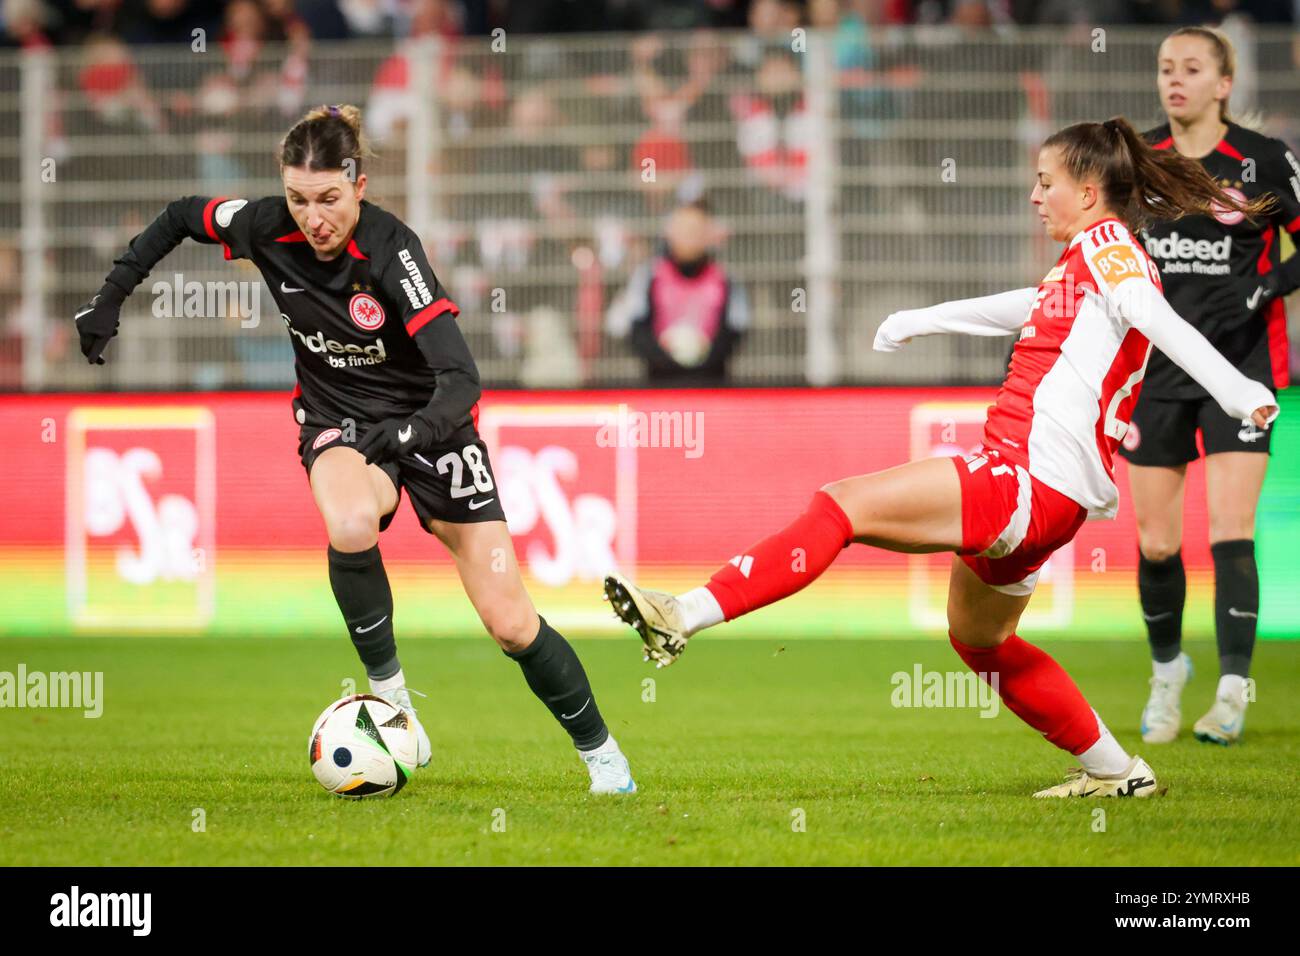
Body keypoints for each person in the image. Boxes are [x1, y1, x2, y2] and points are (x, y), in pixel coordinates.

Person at [604, 116, 1278, 798]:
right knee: (980, 642)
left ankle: (681, 614)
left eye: (1047, 183)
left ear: (1091, 187)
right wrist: (923, 319)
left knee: (840, 505)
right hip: (1050, 500)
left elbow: (1150, 315)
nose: (1035, 196)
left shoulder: (1109, 245)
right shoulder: (1091, 260)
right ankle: (1116, 771)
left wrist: (1234, 389)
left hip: (1023, 479)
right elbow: (1033, 304)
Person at [73, 104, 636, 794]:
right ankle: (391, 698)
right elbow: (181, 215)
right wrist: (110, 297)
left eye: (330, 199)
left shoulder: (394, 250)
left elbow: (461, 379)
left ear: (359, 184)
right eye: (299, 199)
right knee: (347, 521)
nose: (314, 218)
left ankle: (605, 758)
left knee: (512, 624)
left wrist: (408, 435)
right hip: (338, 425)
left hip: (432, 431)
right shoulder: (262, 226)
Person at [1123, 26, 1300, 747]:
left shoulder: (1263, 161)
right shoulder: (1137, 160)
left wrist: (1262, 291)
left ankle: (1231, 693)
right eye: (1167, 67)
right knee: (1156, 543)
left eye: (1192, 68)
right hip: (1156, 373)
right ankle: (1168, 676)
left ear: (1223, 84)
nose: (1176, 79)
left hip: (1241, 371)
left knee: (1230, 532)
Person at [606, 200, 749, 385]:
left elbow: (732, 333)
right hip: (660, 385)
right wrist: (666, 361)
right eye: (683, 229)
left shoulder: (726, 280)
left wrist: (700, 363)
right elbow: (636, 329)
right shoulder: (648, 277)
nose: (689, 236)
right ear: (669, 232)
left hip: (710, 383)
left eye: (696, 229)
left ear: (710, 234)